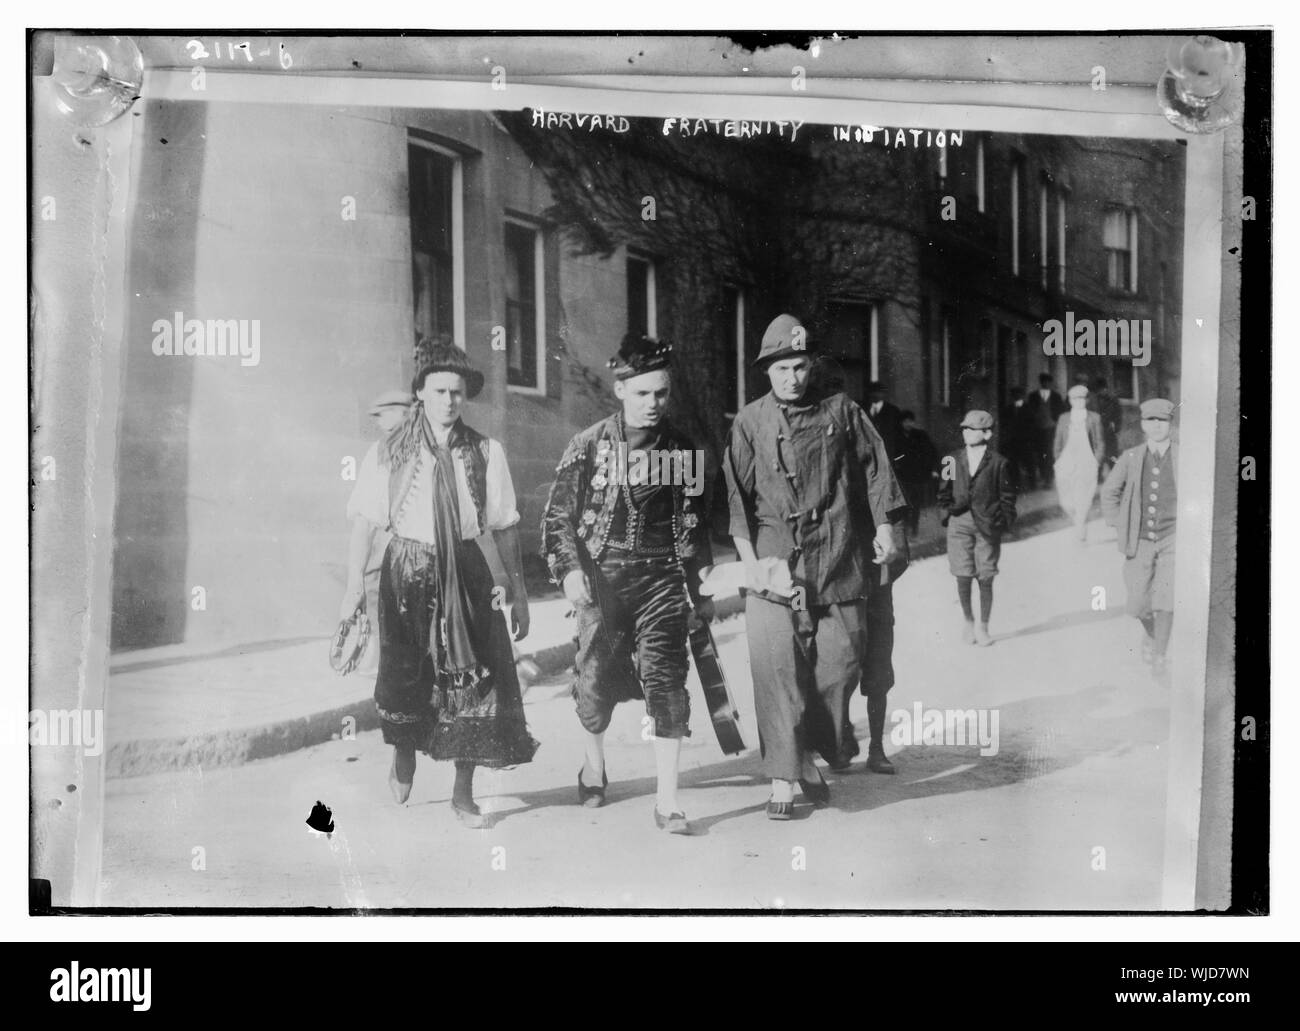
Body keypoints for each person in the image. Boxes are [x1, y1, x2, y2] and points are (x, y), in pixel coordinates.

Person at [340, 339, 537, 826]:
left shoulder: (487, 452)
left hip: (467, 574)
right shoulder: (388, 452)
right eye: (440, 391)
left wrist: (518, 590)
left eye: (457, 392)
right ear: (421, 393)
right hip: (405, 569)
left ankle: (464, 792)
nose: (450, 401)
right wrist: (351, 593)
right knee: (406, 676)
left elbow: (505, 527)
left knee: (476, 682)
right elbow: (365, 525)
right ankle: (404, 751)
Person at [724, 314, 907, 818]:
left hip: (836, 553)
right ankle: (786, 775)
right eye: (782, 368)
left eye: (800, 366)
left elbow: (876, 468)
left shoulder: (842, 411)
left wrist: (887, 527)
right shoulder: (750, 421)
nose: (792, 378)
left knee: (841, 664)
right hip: (774, 560)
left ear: (811, 366)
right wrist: (750, 563)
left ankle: (808, 748)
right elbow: (736, 499)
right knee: (776, 669)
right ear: (767, 371)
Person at [540, 333, 713, 835]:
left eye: (661, 393)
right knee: (594, 684)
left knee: (666, 680)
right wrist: (570, 571)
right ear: (620, 390)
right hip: (602, 578)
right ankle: (593, 767)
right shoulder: (588, 445)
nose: (653, 404)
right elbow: (557, 518)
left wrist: (698, 594)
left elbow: (696, 524)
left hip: (661, 579)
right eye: (641, 394)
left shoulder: (683, 450)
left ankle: (668, 801)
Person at [1100, 398, 1178, 676]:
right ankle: (1154, 636)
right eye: (1150, 421)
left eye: (1162, 421)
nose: (1156, 427)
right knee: (1137, 603)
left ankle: (1159, 657)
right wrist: (1118, 524)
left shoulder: (1184, 455)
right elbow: (1109, 492)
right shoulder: (1131, 457)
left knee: (1167, 598)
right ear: (1143, 424)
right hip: (1140, 540)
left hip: (1173, 538)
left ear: (1171, 424)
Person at [937, 410, 1018, 646]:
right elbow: (942, 492)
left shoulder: (999, 463)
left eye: (972, 429)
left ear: (987, 433)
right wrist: (947, 516)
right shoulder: (950, 460)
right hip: (959, 523)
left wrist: (1002, 523)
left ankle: (984, 626)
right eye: (964, 428)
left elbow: (1008, 498)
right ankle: (969, 622)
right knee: (962, 574)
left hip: (988, 525)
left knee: (986, 576)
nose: (966, 433)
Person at [356, 391, 414, 676]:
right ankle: (378, 651)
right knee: (373, 583)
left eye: (391, 413)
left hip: (419, 534)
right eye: (380, 417)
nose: (384, 422)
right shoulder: (379, 451)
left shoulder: (423, 446)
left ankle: (510, 661)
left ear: (408, 412)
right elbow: (368, 501)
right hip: (386, 531)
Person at [1053, 383, 1106, 543]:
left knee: (1085, 496)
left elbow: (1100, 442)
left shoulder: (1094, 418)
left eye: (1082, 398)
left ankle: (1080, 527)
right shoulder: (1063, 418)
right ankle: (1078, 520)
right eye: (1075, 398)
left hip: (1087, 460)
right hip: (1066, 461)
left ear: (1087, 400)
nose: (1079, 401)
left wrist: (1096, 461)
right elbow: (1058, 441)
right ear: (1070, 400)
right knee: (1065, 500)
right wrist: (1057, 459)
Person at [893, 410, 939, 538]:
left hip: (918, 475)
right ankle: (907, 526)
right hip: (902, 475)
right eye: (905, 421)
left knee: (915, 502)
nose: (908, 424)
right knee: (904, 502)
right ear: (901, 422)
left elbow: (931, 451)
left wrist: (933, 469)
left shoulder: (920, 435)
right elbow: (893, 455)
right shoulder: (896, 436)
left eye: (910, 421)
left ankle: (913, 528)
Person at [1022, 373, 1067, 488]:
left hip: (1051, 428)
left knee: (1050, 453)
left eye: (1048, 381)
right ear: (1041, 382)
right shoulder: (1033, 396)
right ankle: (1042, 475)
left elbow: (1061, 412)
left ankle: (1049, 479)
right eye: (1044, 381)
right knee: (1040, 453)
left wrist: (1056, 422)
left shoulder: (1056, 396)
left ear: (1050, 383)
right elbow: (1029, 411)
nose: (1046, 383)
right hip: (1037, 429)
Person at [866, 381, 906, 466]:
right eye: (873, 391)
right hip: (868, 456)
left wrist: (896, 458)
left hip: (887, 455)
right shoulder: (863, 409)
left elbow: (899, 436)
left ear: (884, 394)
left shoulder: (893, 411)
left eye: (879, 392)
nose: (876, 394)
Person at [1091, 376, 1123, 472]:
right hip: (1097, 431)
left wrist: (1116, 427)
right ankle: (1098, 475)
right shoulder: (1094, 400)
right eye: (1099, 390)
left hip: (1109, 431)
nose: (1102, 391)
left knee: (1112, 454)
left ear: (1106, 388)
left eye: (1103, 389)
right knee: (1098, 452)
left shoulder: (1113, 399)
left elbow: (1118, 415)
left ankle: (1115, 474)